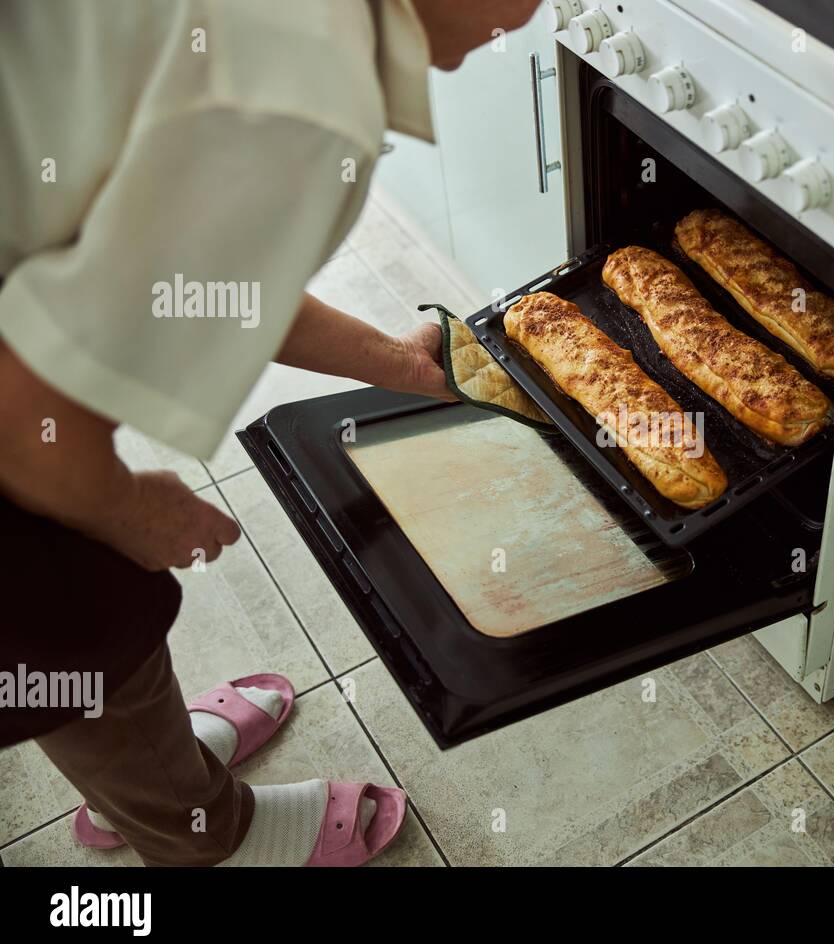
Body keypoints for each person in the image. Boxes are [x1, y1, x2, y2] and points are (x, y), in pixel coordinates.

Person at [0, 0, 542, 866]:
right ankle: (198, 832)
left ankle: (143, 785)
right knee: (76, 621)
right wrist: (138, 510)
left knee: (70, 623)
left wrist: (396, 365)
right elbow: (26, 428)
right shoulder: (309, 96)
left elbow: (203, 263)